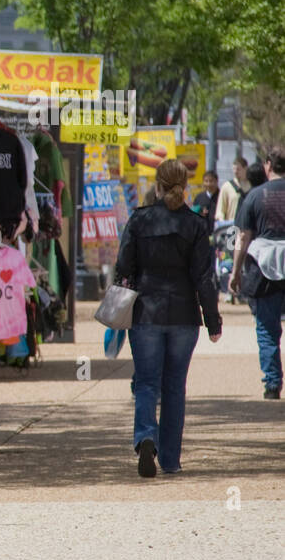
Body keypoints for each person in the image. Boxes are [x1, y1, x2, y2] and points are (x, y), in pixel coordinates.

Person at [115, 159, 222, 477]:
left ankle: (146, 436)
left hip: (145, 313)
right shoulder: (195, 225)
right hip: (184, 315)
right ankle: (171, 459)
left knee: (147, 383)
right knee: (175, 386)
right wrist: (213, 321)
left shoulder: (138, 221)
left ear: (158, 185)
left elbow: (123, 269)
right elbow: (205, 278)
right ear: (186, 187)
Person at [230, 145, 285, 399]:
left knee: (266, 328)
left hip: (263, 269)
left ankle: (272, 384)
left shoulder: (254, 196)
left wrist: (236, 271)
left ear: (268, 166)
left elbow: (243, 238)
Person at [216, 157, 249, 223]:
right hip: (232, 225)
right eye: (234, 169)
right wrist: (222, 221)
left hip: (248, 226)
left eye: (238, 169)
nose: (235, 172)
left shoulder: (252, 186)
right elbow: (220, 210)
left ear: (245, 168)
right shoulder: (227, 186)